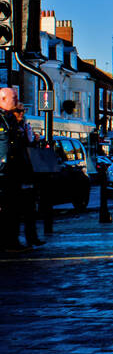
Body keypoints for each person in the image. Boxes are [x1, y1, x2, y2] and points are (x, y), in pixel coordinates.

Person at [0, 87, 43, 249]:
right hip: (4, 172)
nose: (17, 101)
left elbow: (18, 146)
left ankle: (13, 241)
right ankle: (9, 242)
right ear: (3, 99)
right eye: (14, 98)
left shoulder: (11, 120)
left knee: (14, 210)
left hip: (15, 172)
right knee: (8, 210)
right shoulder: (4, 120)